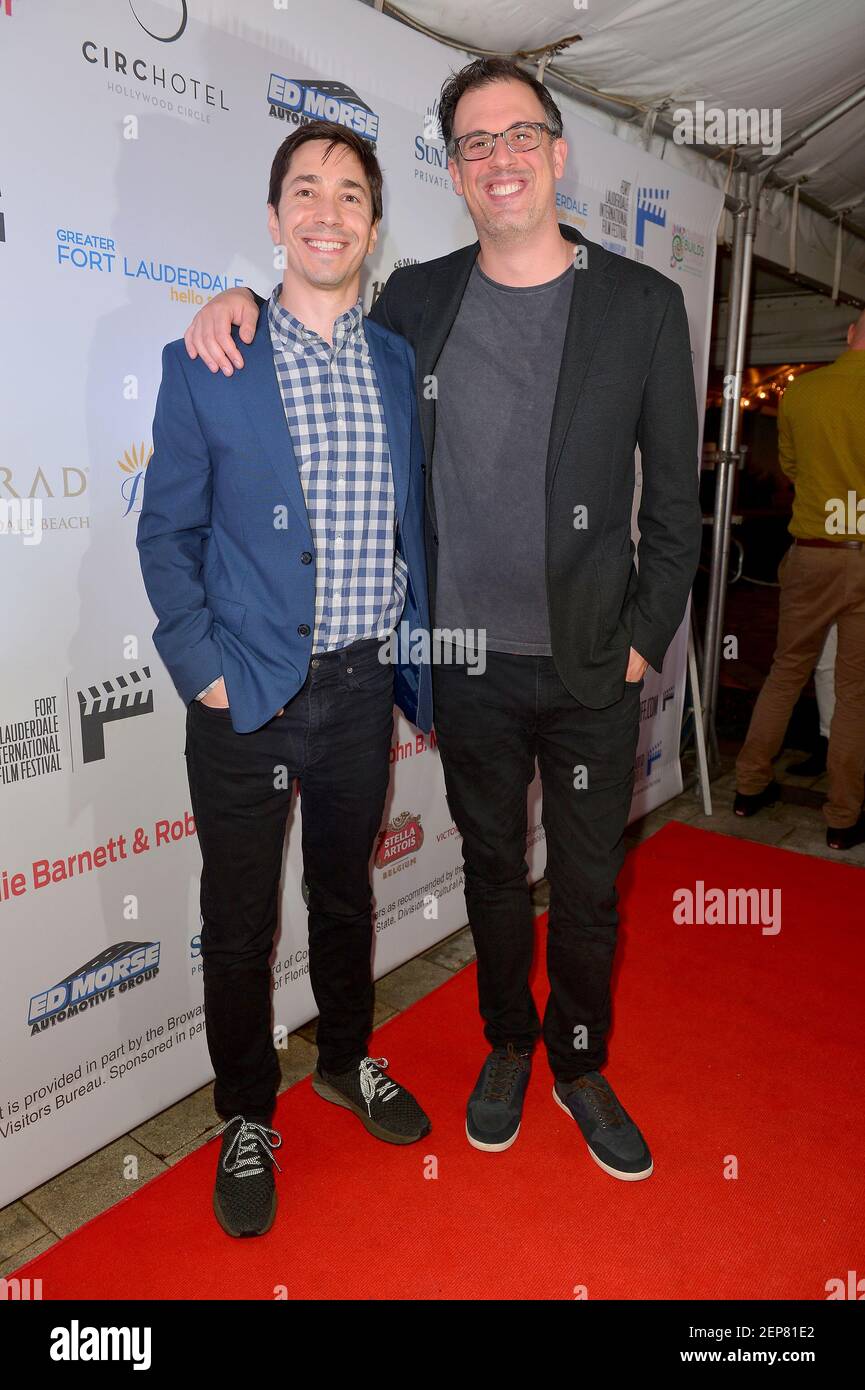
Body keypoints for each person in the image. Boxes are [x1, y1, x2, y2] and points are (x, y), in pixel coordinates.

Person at [182, 58, 703, 1182]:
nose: (498, 158)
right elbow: (310, 319)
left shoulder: (643, 306)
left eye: (519, 136)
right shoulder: (417, 302)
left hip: (592, 664)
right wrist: (233, 300)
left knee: (589, 888)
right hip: (461, 662)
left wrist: (639, 643)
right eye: (474, 143)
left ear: (556, 154)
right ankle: (507, 1044)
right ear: (455, 174)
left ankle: (578, 1064)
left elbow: (674, 508)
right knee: (492, 872)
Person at [137, 123, 433, 1239]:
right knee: (237, 918)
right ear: (273, 219)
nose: (326, 211)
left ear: (372, 224)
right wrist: (203, 670)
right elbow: (166, 536)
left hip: (360, 689)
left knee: (344, 893)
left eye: (350, 194)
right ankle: (246, 1114)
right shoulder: (210, 357)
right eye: (304, 191)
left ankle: (344, 1060)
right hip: (246, 696)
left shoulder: (397, 361)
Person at [734, 309, 865, 850]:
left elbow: (791, 466)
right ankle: (842, 818)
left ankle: (748, 788)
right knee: (855, 691)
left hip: (813, 551)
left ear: (851, 334)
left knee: (786, 672)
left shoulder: (803, 392)